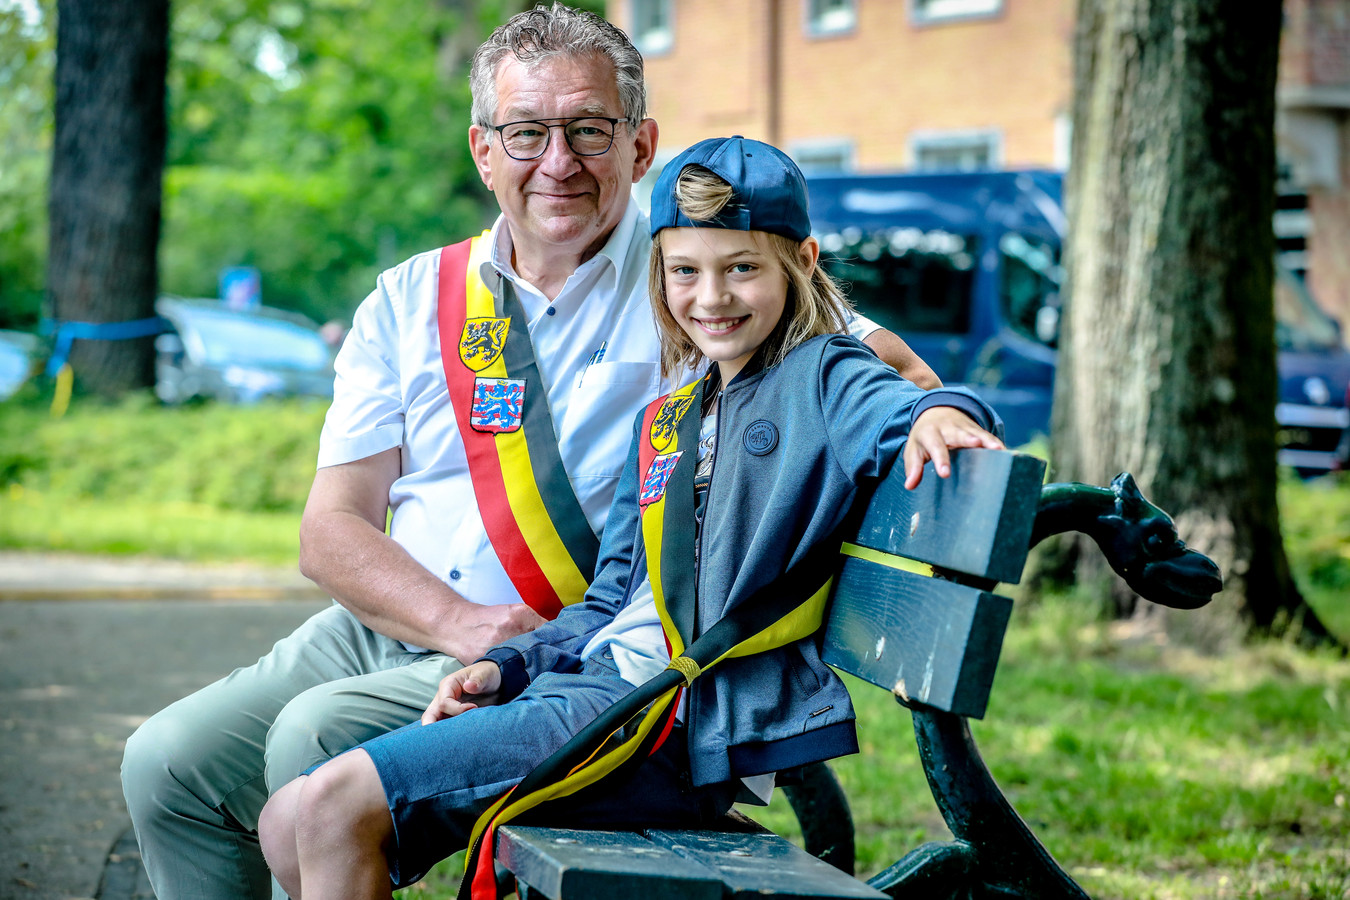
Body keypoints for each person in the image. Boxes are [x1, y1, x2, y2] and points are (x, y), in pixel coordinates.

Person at [120, 6, 939, 900]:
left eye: (589, 130)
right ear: (483, 149)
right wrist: (455, 624)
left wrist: (938, 416)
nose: (559, 162)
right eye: (526, 133)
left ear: (640, 143)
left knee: (313, 742)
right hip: (400, 622)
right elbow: (330, 531)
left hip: (568, 644)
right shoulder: (408, 297)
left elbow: (876, 361)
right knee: (165, 764)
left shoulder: (693, 276)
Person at [256, 135, 1005, 900]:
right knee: (287, 818)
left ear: (804, 262)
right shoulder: (667, 422)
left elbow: (904, 404)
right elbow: (609, 602)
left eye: (741, 267)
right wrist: (506, 666)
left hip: (668, 723)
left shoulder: (819, 374)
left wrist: (945, 412)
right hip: (595, 690)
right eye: (685, 271)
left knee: (331, 806)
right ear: (661, 276)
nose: (711, 298)